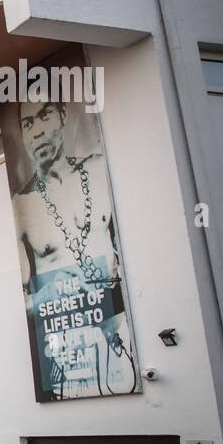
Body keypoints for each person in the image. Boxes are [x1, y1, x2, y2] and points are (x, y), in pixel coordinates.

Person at [11, 93, 134, 397]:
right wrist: (47, 296)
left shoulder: (99, 171)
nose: (37, 131)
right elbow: (15, 304)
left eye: (45, 116)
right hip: (68, 347)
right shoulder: (22, 206)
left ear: (64, 115)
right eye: (27, 124)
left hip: (122, 331)